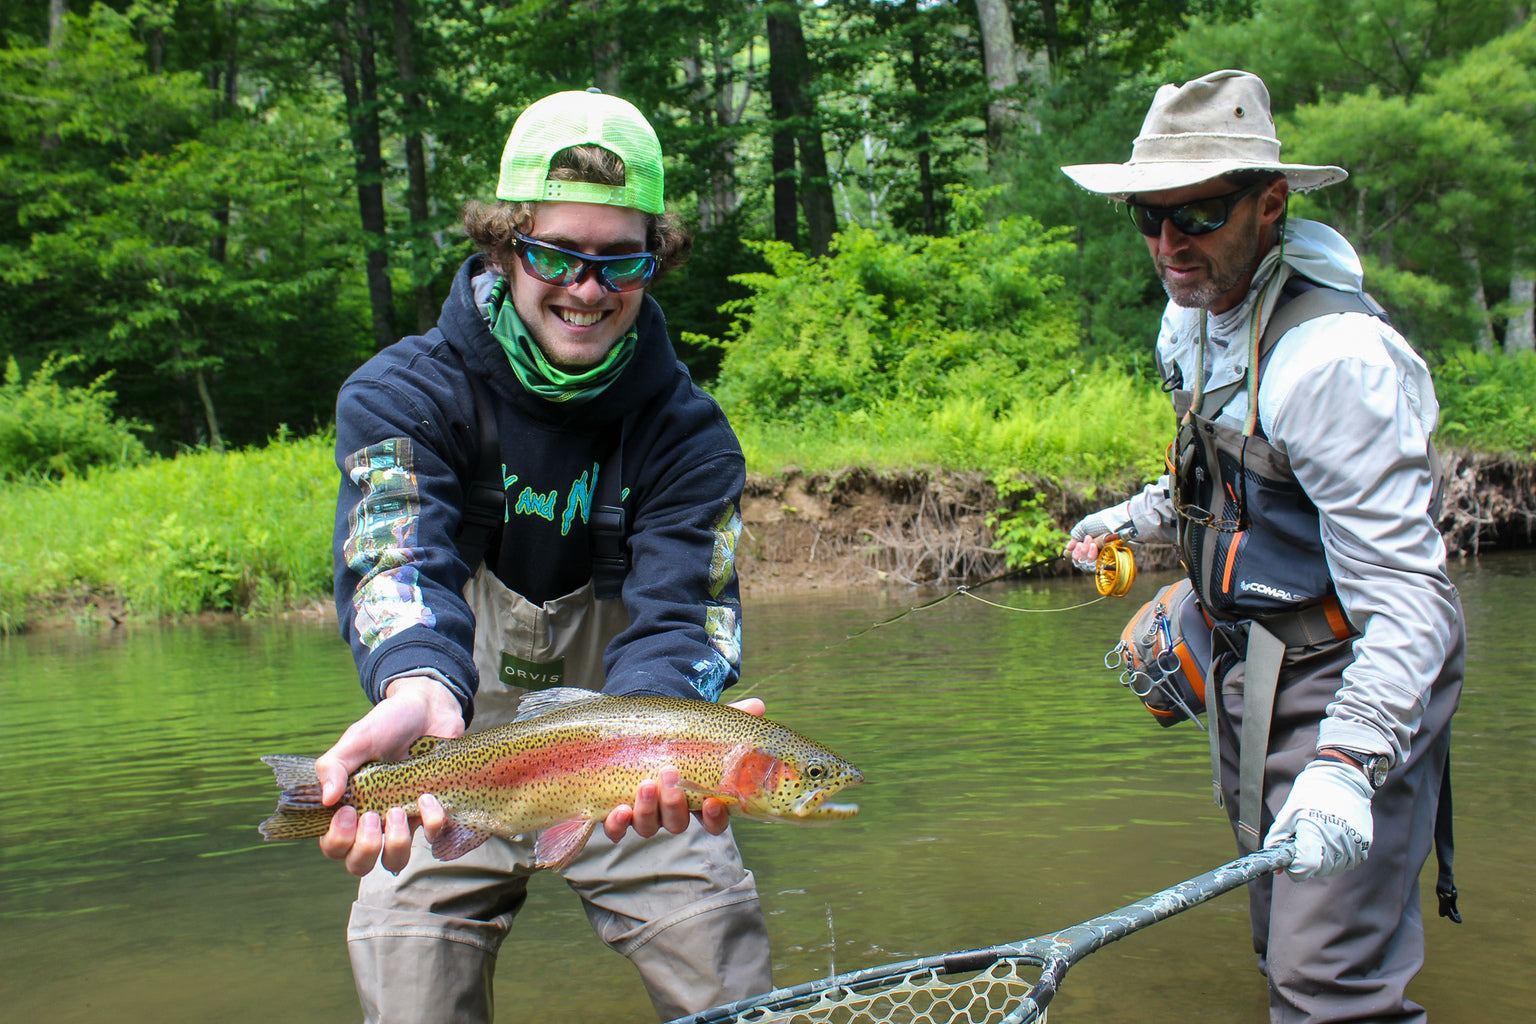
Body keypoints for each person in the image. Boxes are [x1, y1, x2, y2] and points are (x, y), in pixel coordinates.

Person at [312, 88, 773, 1023]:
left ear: (654, 261)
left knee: (734, 995)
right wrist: (417, 686)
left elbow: (684, 620)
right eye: (556, 254)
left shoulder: (691, 439)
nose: (587, 289)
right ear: (503, 245)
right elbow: (397, 563)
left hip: (632, 755)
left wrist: (662, 740)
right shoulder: (402, 398)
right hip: (451, 745)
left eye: (620, 261)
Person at [1059, 70, 1463, 1023]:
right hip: (1250, 672)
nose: (1169, 245)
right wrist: (1134, 518)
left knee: (1328, 986)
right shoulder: (1191, 316)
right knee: (1279, 941)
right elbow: (1226, 480)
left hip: (1354, 676)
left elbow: (1413, 602)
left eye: (1198, 214)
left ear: (1270, 203)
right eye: (1148, 217)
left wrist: (1348, 762)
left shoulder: (1336, 362)